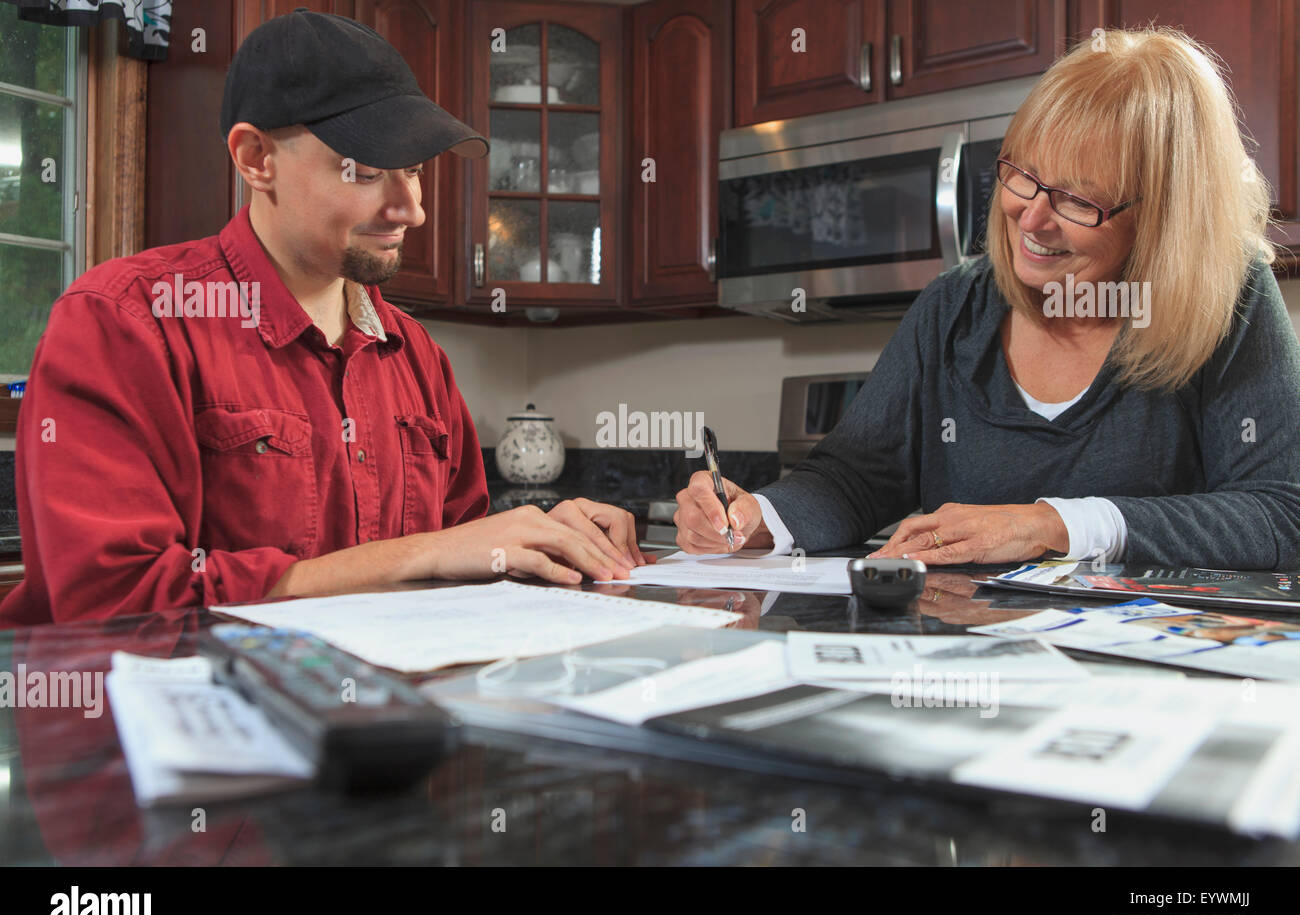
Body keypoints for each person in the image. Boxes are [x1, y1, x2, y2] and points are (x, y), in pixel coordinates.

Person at [1, 10, 645, 626]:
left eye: (415, 170)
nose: (410, 209)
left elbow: (466, 563)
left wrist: (543, 541)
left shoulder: (415, 353)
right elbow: (113, 603)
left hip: (375, 726)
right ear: (256, 158)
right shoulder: (123, 322)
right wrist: (415, 557)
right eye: (366, 171)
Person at [674, 27, 1300, 572]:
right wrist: (759, 517)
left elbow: (1279, 514)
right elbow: (853, 479)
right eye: (1021, 174)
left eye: (1078, 200)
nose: (1030, 220)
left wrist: (1052, 526)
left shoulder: (1230, 297)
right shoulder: (955, 307)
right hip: (974, 666)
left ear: (1163, 217)